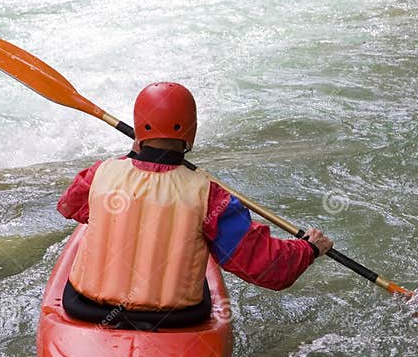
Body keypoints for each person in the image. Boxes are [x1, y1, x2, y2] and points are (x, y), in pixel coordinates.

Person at [57, 82, 333, 326]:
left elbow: (70, 207)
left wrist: (130, 161)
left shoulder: (100, 174)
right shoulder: (211, 197)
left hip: (88, 308)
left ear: (139, 131)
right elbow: (266, 268)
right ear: (192, 132)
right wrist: (308, 248)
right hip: (175, 319)